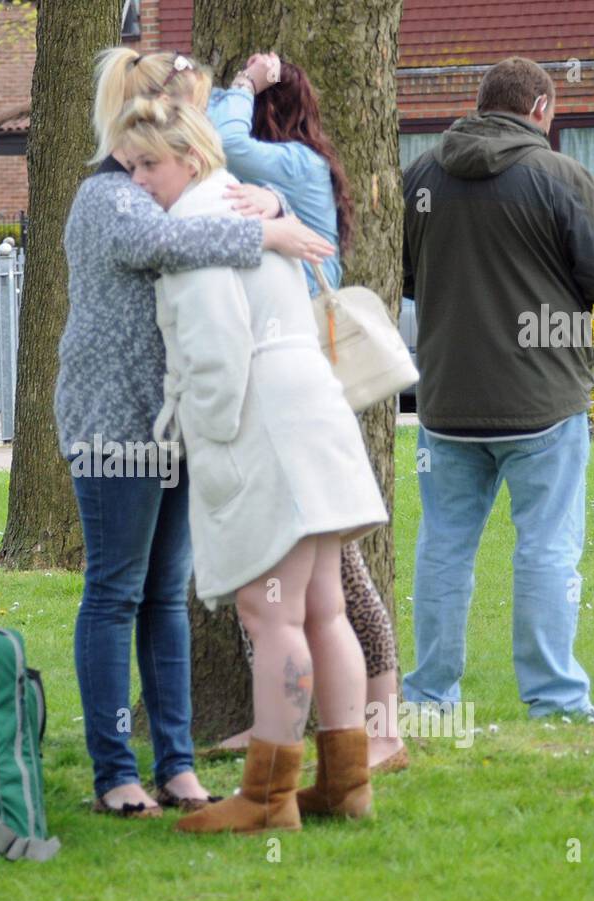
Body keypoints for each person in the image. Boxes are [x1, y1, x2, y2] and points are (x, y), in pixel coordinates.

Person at [55, 47, 337, 818]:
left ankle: (176, 765)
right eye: (181, 106)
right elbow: (168, 243)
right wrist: (269, 234)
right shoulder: (110, 197)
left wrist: (274, 211)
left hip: (171, 428)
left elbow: (209, 215)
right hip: (117, 426)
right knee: (116, 594)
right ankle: (115, 770)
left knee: (164, 598)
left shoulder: (162, 186)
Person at [116, 94, 389, 833]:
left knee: (269, 613)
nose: (137, 179)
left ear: (192, 155)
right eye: (130, 164)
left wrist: (203, 440)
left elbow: (213, 355)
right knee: (324, 608)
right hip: (314, 410)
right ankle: (345, 781)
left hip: (264, 426)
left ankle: (269, 796)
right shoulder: (243, 209)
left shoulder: (197, 228)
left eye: (149, 163)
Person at [401, 57, 594, 719]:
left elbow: (405, 272)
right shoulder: (561, 176)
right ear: (539, 109)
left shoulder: (421, 176)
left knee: (443, 546)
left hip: (447, 403)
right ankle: (556, 700)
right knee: (547, 547)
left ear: (483, 104)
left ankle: (427, 698)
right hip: (543, 401)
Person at [207, 52, 406, 770]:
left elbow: (222, 142)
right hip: (285, 398)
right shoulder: (271, 182)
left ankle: (382, 733)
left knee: (338, 579)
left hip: (303, 398)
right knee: (283, 577)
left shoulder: (288, 164)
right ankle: (284, 725)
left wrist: (240, 86)